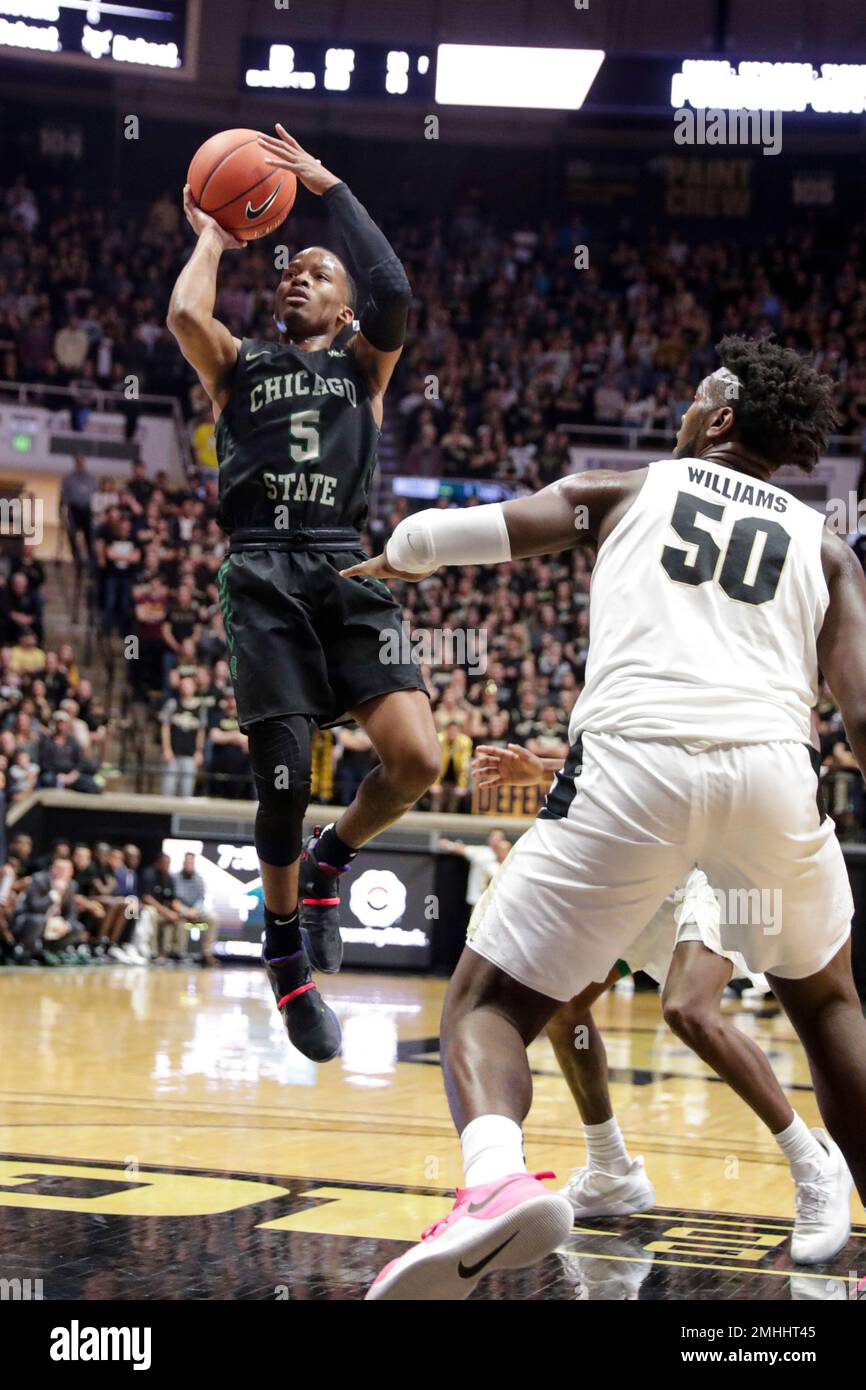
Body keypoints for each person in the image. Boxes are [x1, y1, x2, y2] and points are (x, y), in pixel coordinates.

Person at [348, 336, 866, 1299]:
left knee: (491, 1005)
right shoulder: (828, 546)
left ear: (717, 417)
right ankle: (626, 1162)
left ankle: (497, 1181)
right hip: (771, 779)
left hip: (634, 774)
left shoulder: (628, 490)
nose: (681, 410)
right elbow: (863, 715)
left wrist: (394, 558)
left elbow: (463, 535)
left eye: (694, 399)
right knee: (829, 1004)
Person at [166, 125, 440, 1062]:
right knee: (281, 777)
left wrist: (330, 189)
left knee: (416, 761)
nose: (299, 278)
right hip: (263, 568)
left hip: (343, 565)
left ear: (346, 306)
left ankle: (330, 863)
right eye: (290, 272)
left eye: (319, 273)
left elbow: (396, 290)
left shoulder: (363, 367)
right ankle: (286, 956)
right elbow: (181, 319)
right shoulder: (239, 363)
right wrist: (212, 234)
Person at [472, 741, 849, 1263]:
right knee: (566, 1006)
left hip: (731, 846)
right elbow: (645, 744)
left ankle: (814, 1163)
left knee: (687, 1008)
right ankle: (611, 1171)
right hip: (658, 845)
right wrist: (547, 771)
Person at [172, 851, 217, 966]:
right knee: (180, 921)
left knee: (213, 918)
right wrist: (186, 912)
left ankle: (207, 954)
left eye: (191, 862)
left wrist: (195, 911)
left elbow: (201, 900)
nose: (188, 864)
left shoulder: (199, 879)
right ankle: (179, 955)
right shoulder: (175, 878)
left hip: (196, 912)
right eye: (187, 862)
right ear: (183, 863)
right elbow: (174, 901)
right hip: (181, 912)